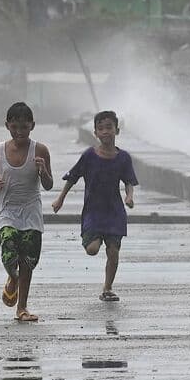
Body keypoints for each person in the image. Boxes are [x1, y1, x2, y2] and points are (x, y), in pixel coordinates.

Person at [51, 110, 138, 302]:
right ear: (95, 132)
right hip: (93, 211)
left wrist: (129, 196)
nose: (105, 132)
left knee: (113, 252)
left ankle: (107, 288)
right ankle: (93, 237)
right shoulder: (89, 155)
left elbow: (129, 181)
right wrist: (60, 199)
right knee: (92, 249)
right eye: (101, 128)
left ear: (117, 130)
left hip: (114, 211)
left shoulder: (123, 158)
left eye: (109, 127)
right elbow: (73, 177)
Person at [0, 101, 53, 322]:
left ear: (32, 126)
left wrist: (43, 170)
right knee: (9, 250)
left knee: (27, 260)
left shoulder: (40, 150)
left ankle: (22, 307)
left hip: (31, 212)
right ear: (7, 125)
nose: (19, 132)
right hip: (7, 210)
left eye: (24, 127)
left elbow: (48, 185)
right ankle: (12, 277)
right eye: (14, 127)